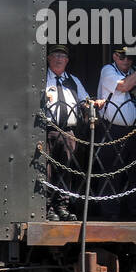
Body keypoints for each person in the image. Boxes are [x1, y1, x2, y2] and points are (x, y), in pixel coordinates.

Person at [96, 46, 136, 221]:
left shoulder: (135, 72)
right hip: (113, 129)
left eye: (130, 58)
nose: (127, 61)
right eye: (123, 57)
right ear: (115, 56)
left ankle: (135, 211)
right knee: (112, 171)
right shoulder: (108, 70)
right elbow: (124, 86)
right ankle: (110, 212)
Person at [43, 44, 91, 221]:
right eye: (55, 55)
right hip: (48, 131)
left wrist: (90, 105)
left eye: (62, 56)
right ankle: (47, 207)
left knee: (66, 169)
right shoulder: (42, 79)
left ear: (67, 61)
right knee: (47, 170)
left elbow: (85, 100)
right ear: (48, 58)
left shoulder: (73, 81)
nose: (58, 59)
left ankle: (62, 206)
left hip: (68, 132)